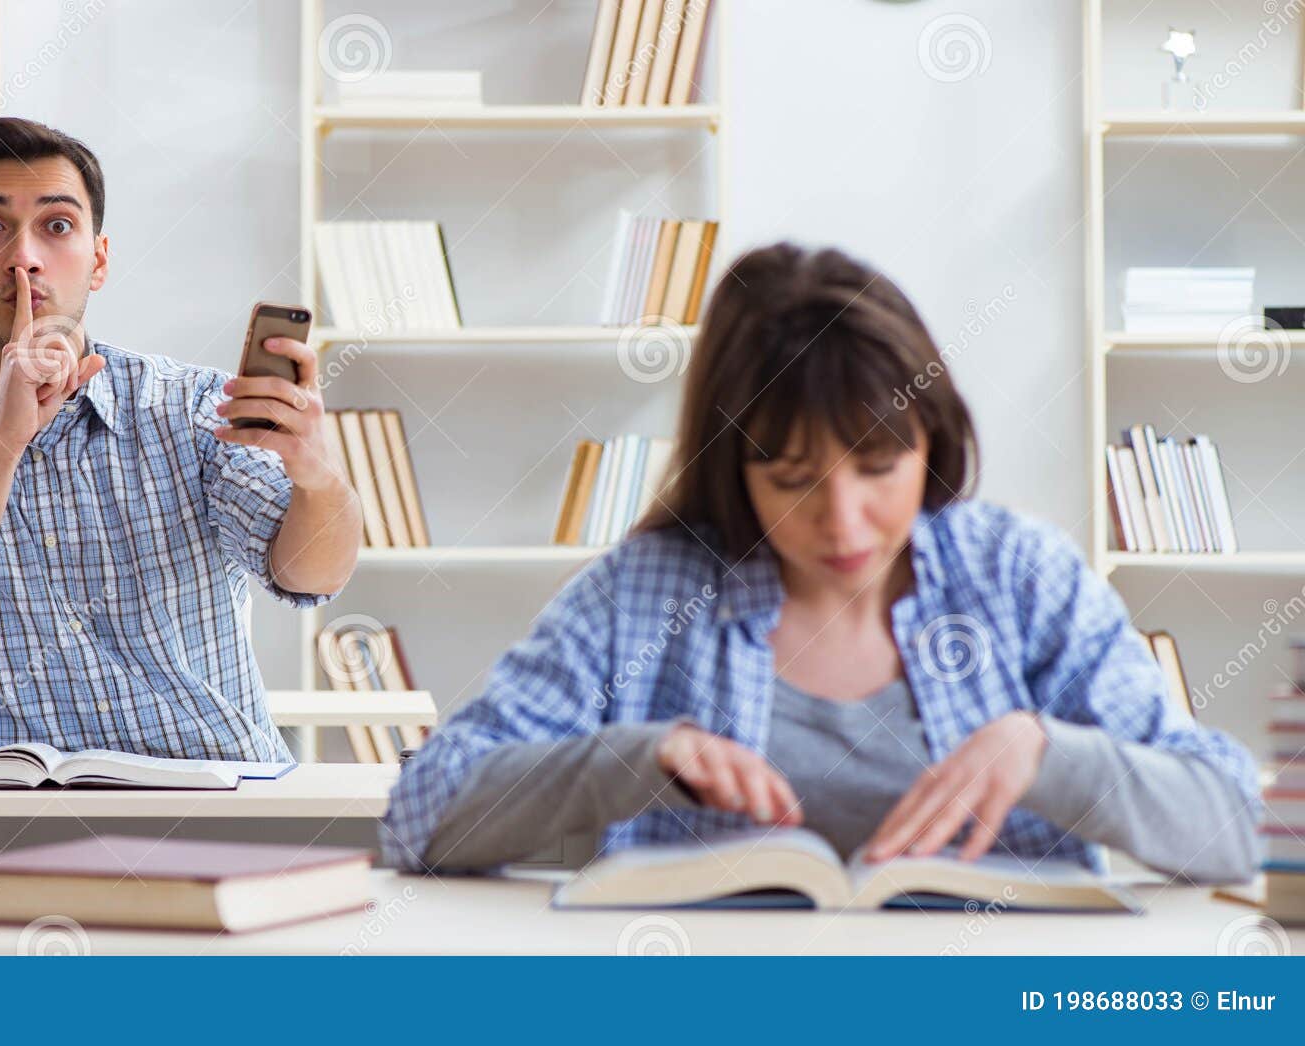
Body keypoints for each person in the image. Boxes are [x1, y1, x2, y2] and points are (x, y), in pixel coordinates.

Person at [382, 242, 1260, 883]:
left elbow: (1228, 828)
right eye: (793, 478)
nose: (844, 521)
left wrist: (1051, 754)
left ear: (934, 440)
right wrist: (635, 761)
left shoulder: (1023, 578)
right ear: (733, 467)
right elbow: (421, 819)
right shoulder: (644, 595)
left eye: (879, 468)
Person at [0, 117, 360, 761]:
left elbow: (309, 578)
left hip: (202, 803)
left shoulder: (195, 408)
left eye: (57, 226)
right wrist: (4, 444)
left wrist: (319, 476)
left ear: (98, 260)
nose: (23, 256)